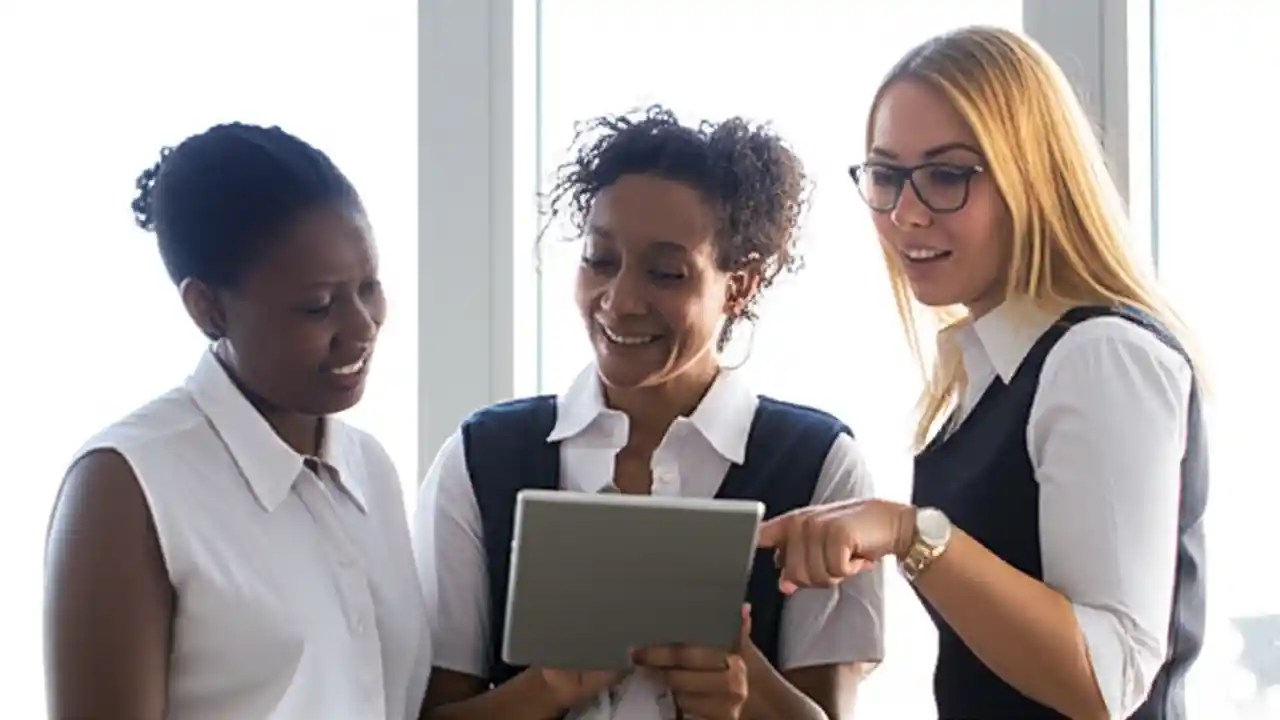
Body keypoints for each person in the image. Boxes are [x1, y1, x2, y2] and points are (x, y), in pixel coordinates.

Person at [757, 26, 1207, 720]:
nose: (906, 213)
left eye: (947, 175)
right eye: (886, 176)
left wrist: (910, 534)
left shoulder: (1099, 354)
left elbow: (1105, 679)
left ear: (1035, 174)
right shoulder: (992, 371)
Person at [415, 106, 883, 720]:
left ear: (739, 285)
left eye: (666, 273)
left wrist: (747, 689)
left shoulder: (817, 466)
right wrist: (549, 686)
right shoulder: (482, 458)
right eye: (599, 260)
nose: (621, 301)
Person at [43, 123, 432, 719]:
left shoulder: (369, 469)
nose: (362, 326)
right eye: (318, 306)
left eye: (369, 287)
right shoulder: (127, 485)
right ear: (208, 308)